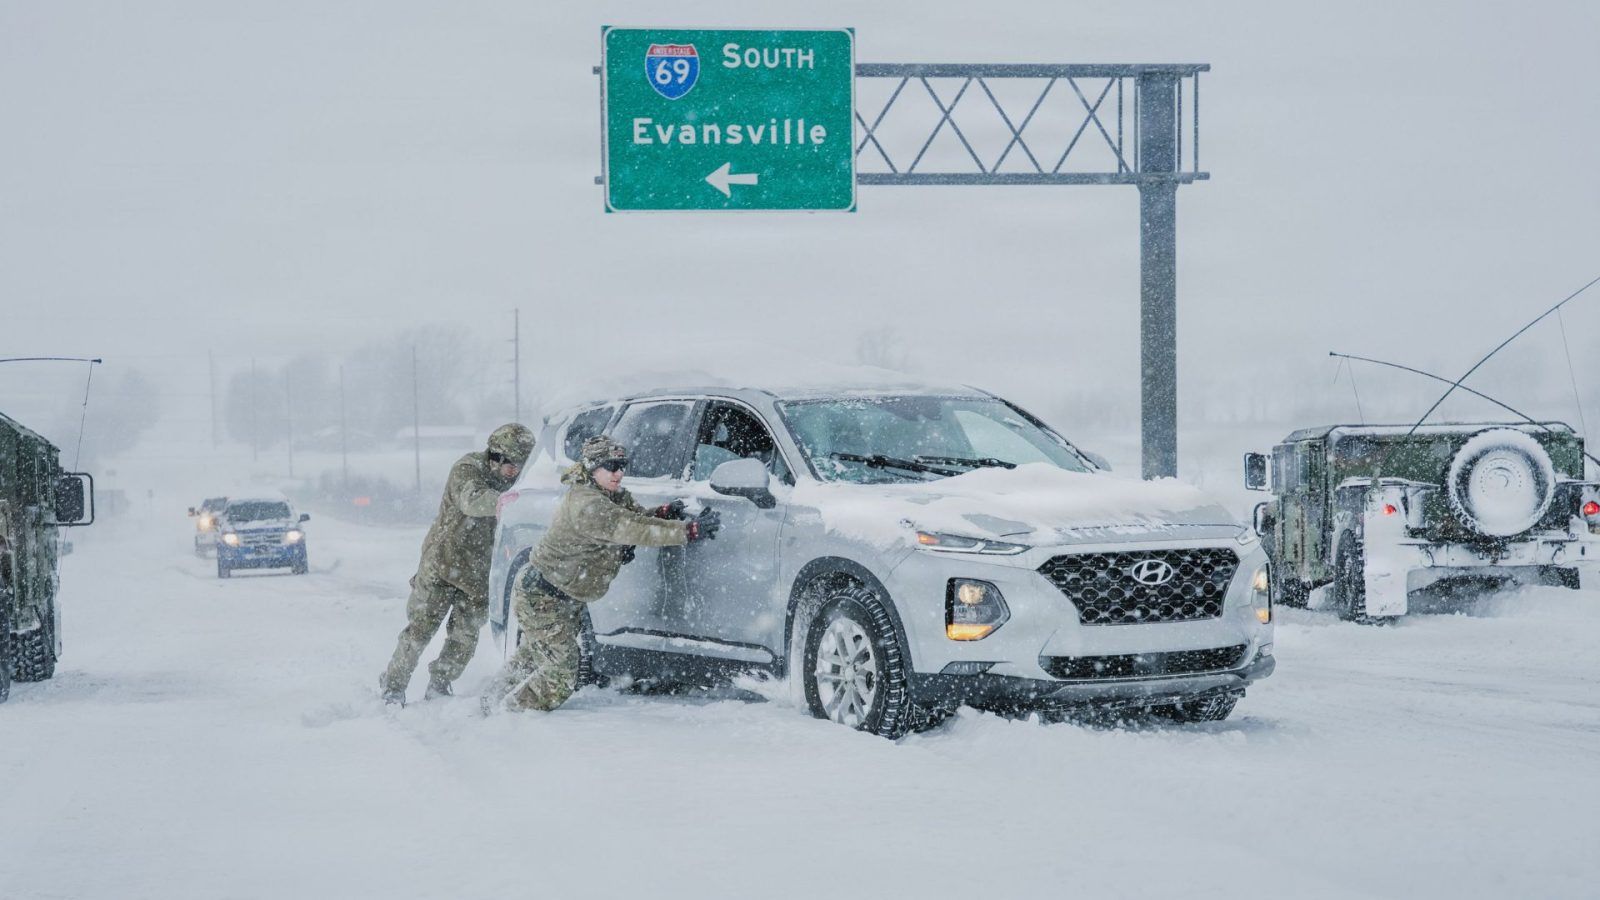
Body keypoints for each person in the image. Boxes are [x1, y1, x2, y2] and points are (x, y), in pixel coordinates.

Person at [483, 435, 720, 713]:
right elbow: (632, 528)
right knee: (561, 676)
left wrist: (664, 512)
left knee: (535, 655)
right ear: (593, 467)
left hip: (561, 595)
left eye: (623, 465)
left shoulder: (609, 492)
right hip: (544, 596)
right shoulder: (588, 504)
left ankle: (490, 702)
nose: (619, 473)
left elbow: (634, 516)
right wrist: (687, 532)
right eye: (611, 466)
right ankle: (509, 715)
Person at [379, 423, 535, 706]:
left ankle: (440, 683)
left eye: (521, 464)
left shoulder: (518, 481)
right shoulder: (467, 468)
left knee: (464, 639)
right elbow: (471, 500)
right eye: (511, 463)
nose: (515, 470)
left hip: (479, 574)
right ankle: (393, 685)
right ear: (495, 455)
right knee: (419, 631)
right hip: (442, 564)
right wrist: (506, 501)